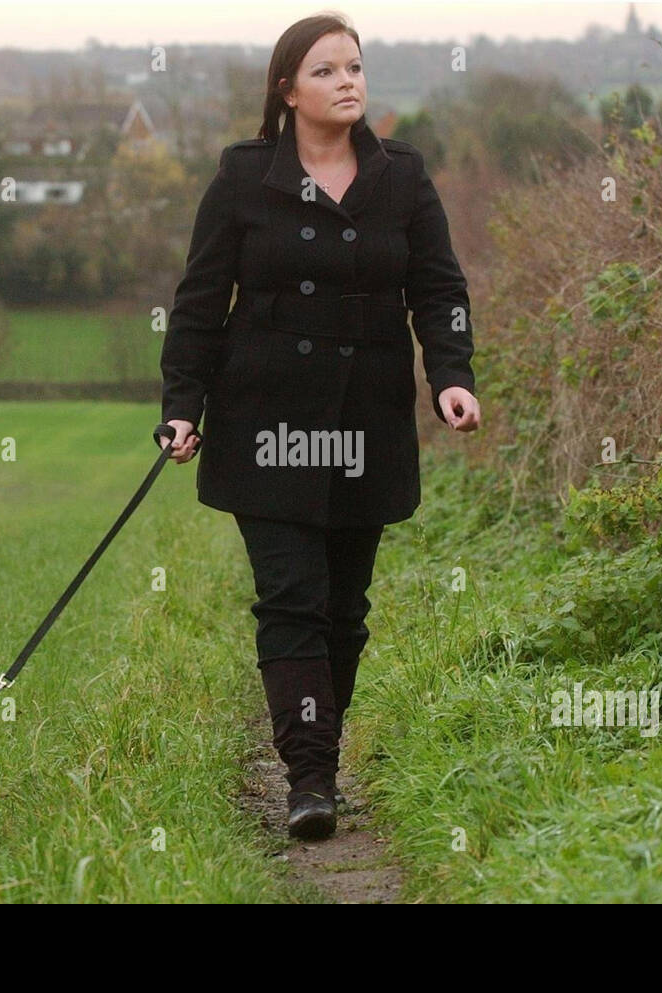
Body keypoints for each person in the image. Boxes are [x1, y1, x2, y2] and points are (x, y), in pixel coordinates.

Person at [158, 13, 481, 840]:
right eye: (328, 70)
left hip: (366, 424)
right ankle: (309, 775)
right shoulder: (242, 179)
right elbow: (199, 304)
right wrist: (181, 407)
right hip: (263, 422)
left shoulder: (402, 179)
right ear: (288, 90)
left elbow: (439, 290)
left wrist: (450, 378)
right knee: (292, 599)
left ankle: (318, 753)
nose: (348, 81)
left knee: (344, 609)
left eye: (357, 67)